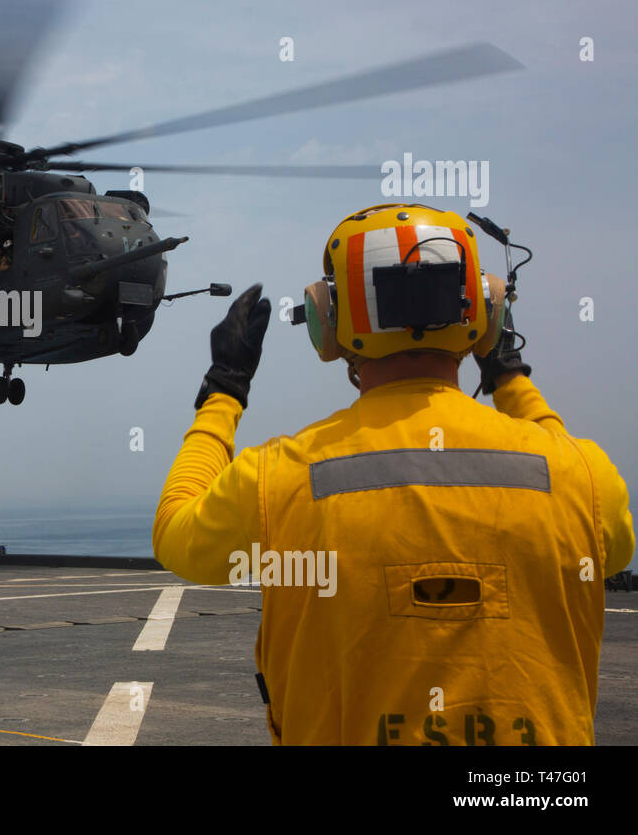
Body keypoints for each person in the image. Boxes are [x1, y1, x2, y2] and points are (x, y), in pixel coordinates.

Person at [154, 203, 633, 745]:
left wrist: (225, 390)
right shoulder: (583, 474)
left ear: (327, 320)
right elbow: (610, 545)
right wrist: (510, 377)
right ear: (486, 309)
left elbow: (177, 535)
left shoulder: (277, 477)